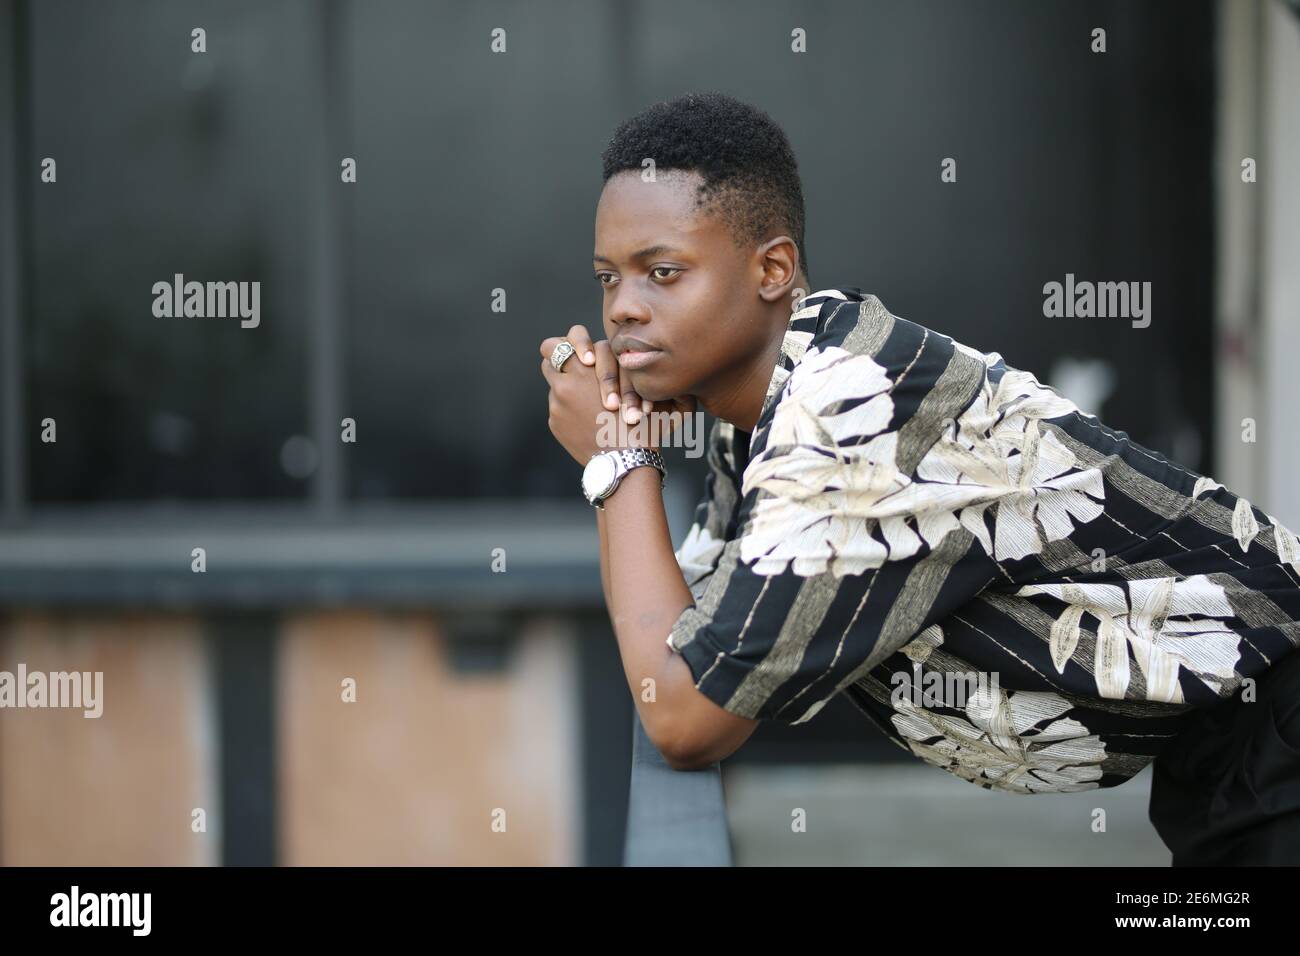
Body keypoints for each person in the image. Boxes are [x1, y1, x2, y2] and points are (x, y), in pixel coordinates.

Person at [537, 91, 1300, 865]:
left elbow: (686, 717)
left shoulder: (844, 412)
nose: (623, 309)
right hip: (1234, 759)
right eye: (608, 279)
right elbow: (692, 634)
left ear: (773, 269)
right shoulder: (775, 404)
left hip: (1277, 734)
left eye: (661, 272)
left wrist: (618, 459)